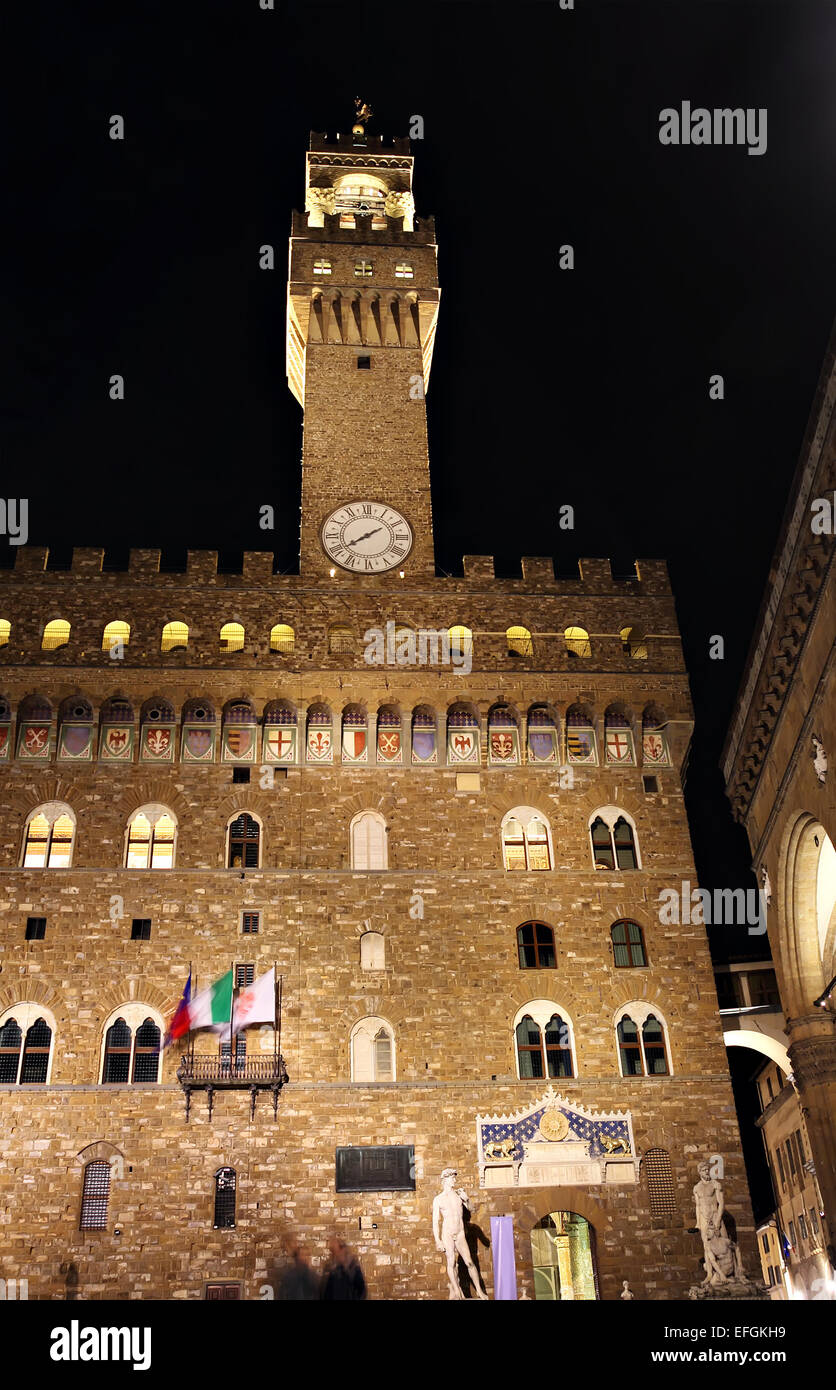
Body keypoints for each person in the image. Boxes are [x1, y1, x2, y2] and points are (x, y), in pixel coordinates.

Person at [432, 1168, 489, 1300]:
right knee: (451, 1262)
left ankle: (479, 1291)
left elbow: (472, 1209)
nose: (455, 1180)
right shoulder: (438, 1199)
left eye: (454, 1177)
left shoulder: (459, 1195)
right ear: (445, 1180)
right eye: (452, 1178)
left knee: (469, 1262)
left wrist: (467, 1199)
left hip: (460, 1233)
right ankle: (457, 1291)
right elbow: (435, 1222)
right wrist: (438, 1240)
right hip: (447, 1233)